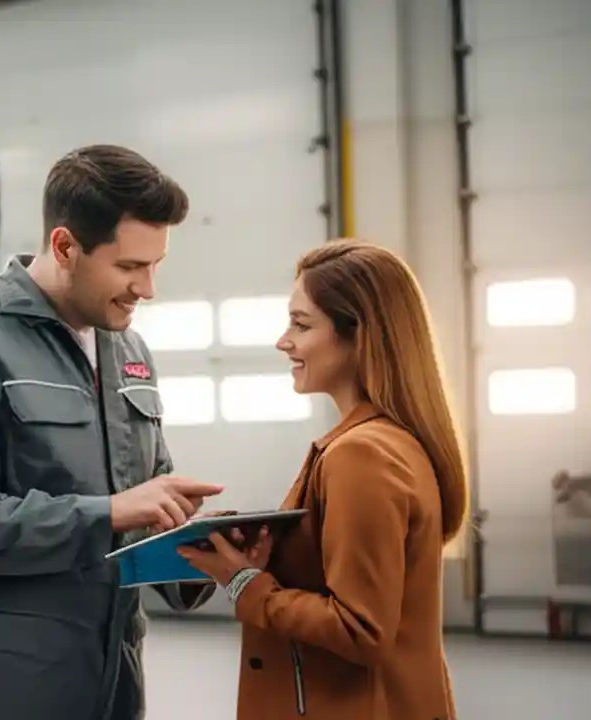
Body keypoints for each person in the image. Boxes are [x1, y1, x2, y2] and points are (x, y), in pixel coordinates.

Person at [0, 144, 225, 720]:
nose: (147, 288)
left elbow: (142, 505)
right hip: (0, 683)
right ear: (66, 246)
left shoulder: (128, 349)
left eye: (156, 265)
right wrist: (110, 512)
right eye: (129, 267)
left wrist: (201, 552)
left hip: (111, 677)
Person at [178, 239, 465, 720]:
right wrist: (268, 555)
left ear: (359, 335)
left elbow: (360, 629)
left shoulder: (361, 455)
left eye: (301, 324)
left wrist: (245, 583)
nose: (283, 340)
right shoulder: (391, 443)